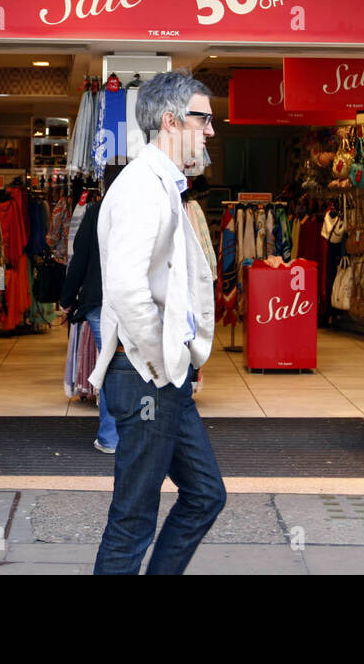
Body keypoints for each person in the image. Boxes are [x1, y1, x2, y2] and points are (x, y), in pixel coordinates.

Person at [91, 69, 223, 575]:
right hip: (146, 376)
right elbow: (126, 289)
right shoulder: (142, 188)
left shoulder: (164, 184)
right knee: (133, 520)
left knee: (205, 495)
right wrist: (161, 358)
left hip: (163, 376)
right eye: (203, 119)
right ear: (171, 121)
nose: (211, 131)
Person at [60, 195, 116, 453]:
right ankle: (141, 437)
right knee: (139, 369)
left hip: (99, 299)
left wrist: (67, 298)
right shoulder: (150, 203)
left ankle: (110, 437)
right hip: (140, 301)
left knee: (110, 365)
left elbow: (80, 256)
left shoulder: (97, 210)